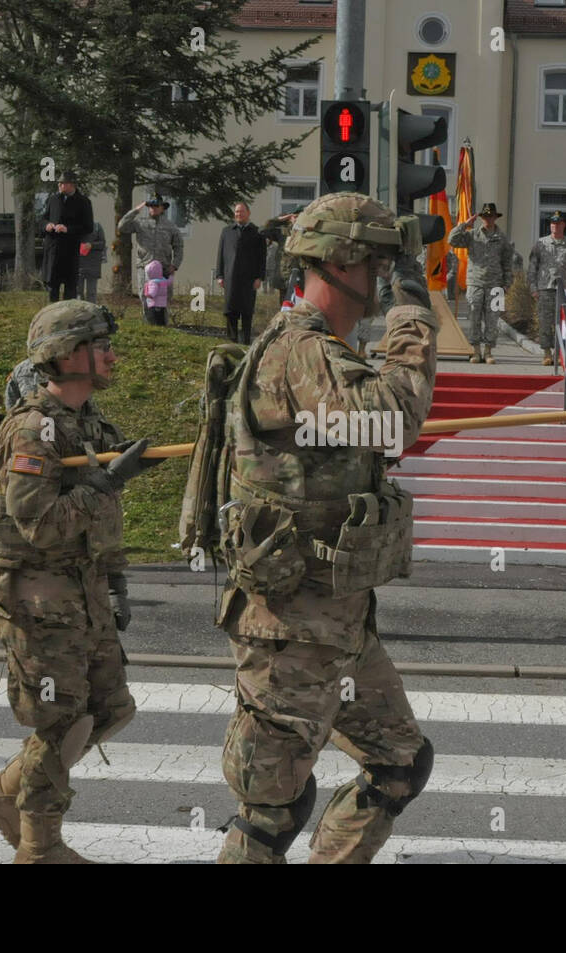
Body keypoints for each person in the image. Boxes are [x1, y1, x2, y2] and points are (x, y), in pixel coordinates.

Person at [212, 192, 437, 864]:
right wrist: (413, 312)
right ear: (339, 262)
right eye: (377, 263)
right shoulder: (299, 353)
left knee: (399, 759)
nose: (381, 278)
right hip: (291, 630)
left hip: (337, 623)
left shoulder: (325, 353)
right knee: (273, 811)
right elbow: (394, 417)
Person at [0, 300, 159, 863]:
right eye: (101, 346)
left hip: (86, 591)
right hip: (39, 597)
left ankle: (4, 791)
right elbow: (40, 526)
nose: (112, 355)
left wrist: (117, 581)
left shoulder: (86, 423)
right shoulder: (33, 430)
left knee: (111, 709)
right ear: (69, 354)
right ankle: (40, 848)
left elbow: (103, 518)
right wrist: (104, 483)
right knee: (64, 723)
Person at [448, 201, 513, 364]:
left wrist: (507, 283)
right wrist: (464, 224)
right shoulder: (472, 235)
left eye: (491, 216)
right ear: (481, 218)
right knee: (474, 316)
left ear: (495, 218)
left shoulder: (502, 238)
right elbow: (452, 240)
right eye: (485, 216)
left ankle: (488, 352)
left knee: (493, 319)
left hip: (496, 284)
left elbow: (507, 262)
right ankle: (475, 351)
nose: (488, 219)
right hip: (475, 283)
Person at [527, 211, 566, 365]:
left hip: (565, 290)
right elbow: (532, 267)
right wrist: (533, 287)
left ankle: (560, 354)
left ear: (564, 225)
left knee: (563, 323)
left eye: (558, 223)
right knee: (545, 322)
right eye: (552, 223)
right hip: (545, 288)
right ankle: (546, 353)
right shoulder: (540, 244)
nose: (554, 226)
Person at [117, 194, 183, 325]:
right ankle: (149, 325)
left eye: (156, 206)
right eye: (150, 206)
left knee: (164, 297)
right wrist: (136, 210)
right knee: (145, 295)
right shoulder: (140, 223)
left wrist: (174, 265)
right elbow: (122, 226)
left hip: (164, 267)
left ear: (162, 208)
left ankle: (163, 325)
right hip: (144, 265)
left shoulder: (170, 226)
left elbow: (179, 247)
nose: (153, 208)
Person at [216, 201, 267, 344]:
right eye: (237, 212)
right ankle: (231, 340)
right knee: (231, 310)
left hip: (249, 279)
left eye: (242, 211)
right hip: (230, 277)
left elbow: (262, 258)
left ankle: (245, 341)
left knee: (246, 310)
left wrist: (259, 277)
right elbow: (220, 254)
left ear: (248, 213)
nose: (239, 214)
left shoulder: (257, 232)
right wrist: (220, 275)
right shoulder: (227, 231)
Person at [40, 171, 94, 303]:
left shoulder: (83, 202)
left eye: (62, 183)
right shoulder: (53, 199)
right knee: (53, 283)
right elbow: (43, 219)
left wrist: (67, 229)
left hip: (70, 249)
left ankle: (68, 312)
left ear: (71, 185)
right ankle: (52, 310)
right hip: (53, 248)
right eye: (59, 183)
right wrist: (47, 225)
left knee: (70, 286)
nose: (59, 185)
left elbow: (88, 227)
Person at [78, 220, 106, 303]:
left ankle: (91, 313)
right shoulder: (75, 227)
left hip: (93, 265)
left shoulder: (97, 227)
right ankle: (79, 313)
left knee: (91, 293)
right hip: (78, 264)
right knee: (78, 293)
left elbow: (102, 243)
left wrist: (91, 245)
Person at [142, 260, 171, 325]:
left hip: (154, 303)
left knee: (155, 316)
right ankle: (162, 325)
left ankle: (156, 325)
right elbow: (169, 282)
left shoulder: (153, 282)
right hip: (162, 303)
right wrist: (171, 276)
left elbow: (153, 291)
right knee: (161, 315)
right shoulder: (163, 280)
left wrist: (149, 295)